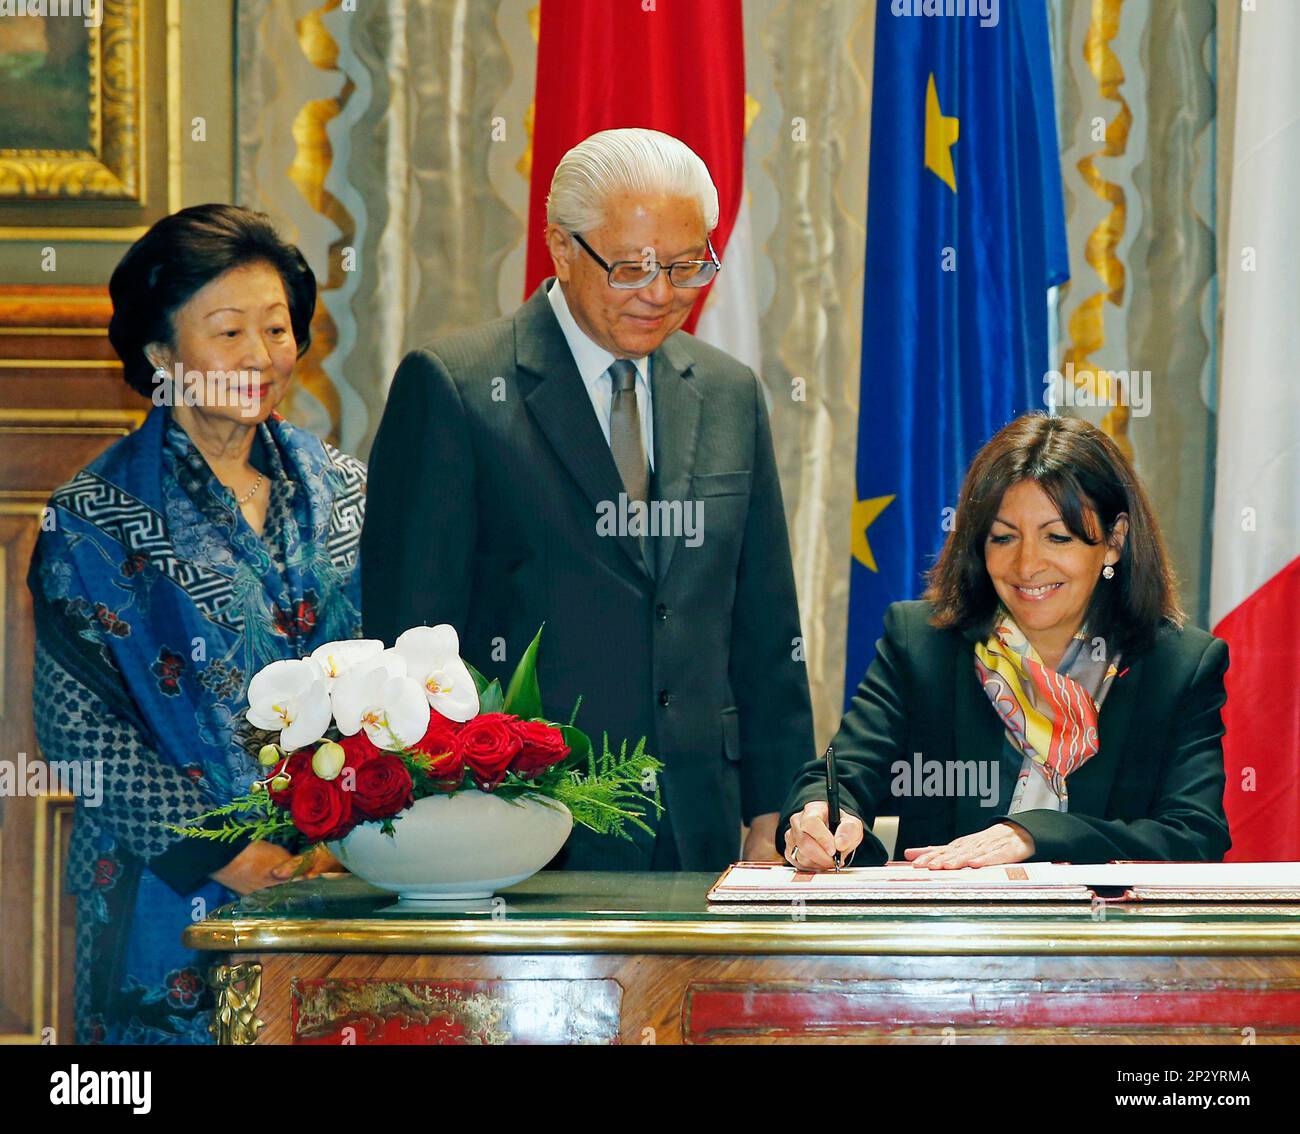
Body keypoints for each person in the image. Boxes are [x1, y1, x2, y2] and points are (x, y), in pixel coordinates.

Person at [362, 128, 814, 871]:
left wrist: (776, 812)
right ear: (562, 248)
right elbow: (410, 637)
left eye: (683, 265)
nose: (661, 294)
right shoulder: (460, 387)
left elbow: (768, 630)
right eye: (632, 266)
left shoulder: (729, 392)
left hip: (703, 830)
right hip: (519, 827)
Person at [28, 204, 367, 1044]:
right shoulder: (94, 519)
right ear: (161, 355)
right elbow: (80, 731)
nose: (262, 356)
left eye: (278, 329)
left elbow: (390, 675)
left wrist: (348, 840)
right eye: (229, 332)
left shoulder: (346, 491)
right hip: (169, 889)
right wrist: (227, 856)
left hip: (345, 880)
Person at [780, 412, 1231, 870]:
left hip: (1108, 937)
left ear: (1113, 541)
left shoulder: (1179, 666)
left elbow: (1194, 836)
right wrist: (818, 816)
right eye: (1003, 537)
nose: (1027, 565)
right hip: (951, 937)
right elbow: (842, 776)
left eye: (1057, 537)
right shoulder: (921, 644)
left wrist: (1036, 833)